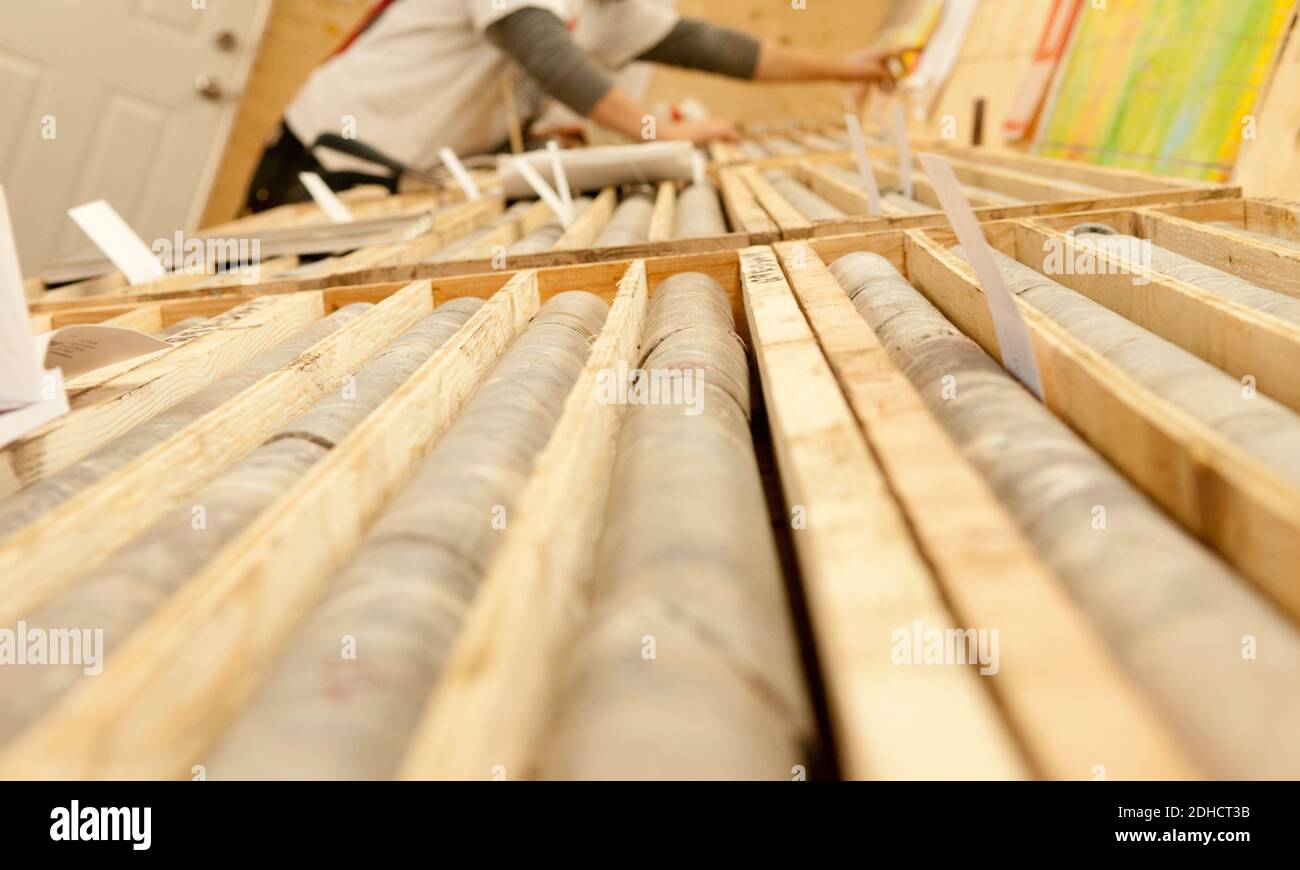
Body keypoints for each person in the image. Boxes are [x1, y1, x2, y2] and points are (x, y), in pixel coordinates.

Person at [246, 0, 908, 211]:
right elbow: (548, 56)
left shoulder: (610, 5)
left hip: (416, 180)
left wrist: (845, 67)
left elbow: (712, 47)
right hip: (331, 156)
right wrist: (659, 133)